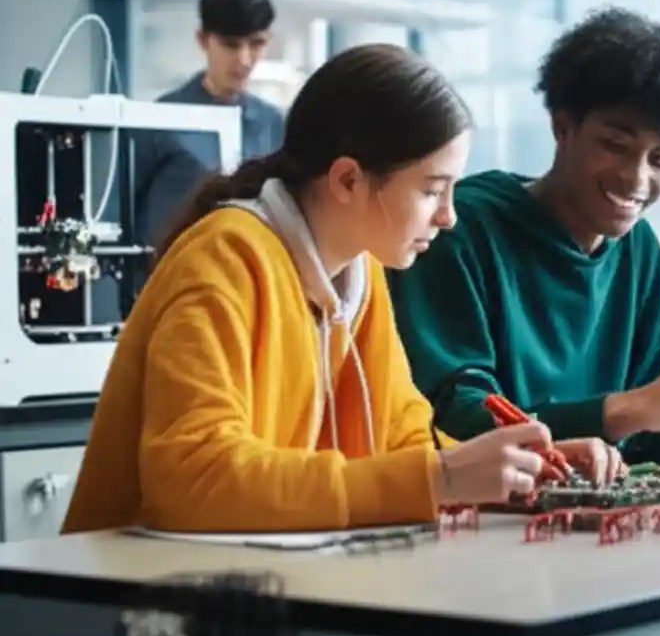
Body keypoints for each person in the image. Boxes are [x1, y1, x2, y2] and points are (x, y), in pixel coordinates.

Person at [62, 44, 620, 535]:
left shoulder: (359, 272)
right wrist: (443, 478)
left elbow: (404, 443)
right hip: (141, 604)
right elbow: (192, 479)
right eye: (432, 191)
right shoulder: (224, 258)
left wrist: (509, 474)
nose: (449, 217)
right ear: (349, 179)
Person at [389, 8, 660, 473]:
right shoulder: (458, 228)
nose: (636, 178)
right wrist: (630, 409)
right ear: (562, 128)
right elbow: (451, 420)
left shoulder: (639, 250)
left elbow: (643, 428)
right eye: (615, 145)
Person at [134, 0, 286, 248]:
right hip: (172, 276)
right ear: (203, 39)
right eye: (230, 44)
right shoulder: (159, 121)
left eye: (256, 43)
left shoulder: (273, 125)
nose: (244, 59)